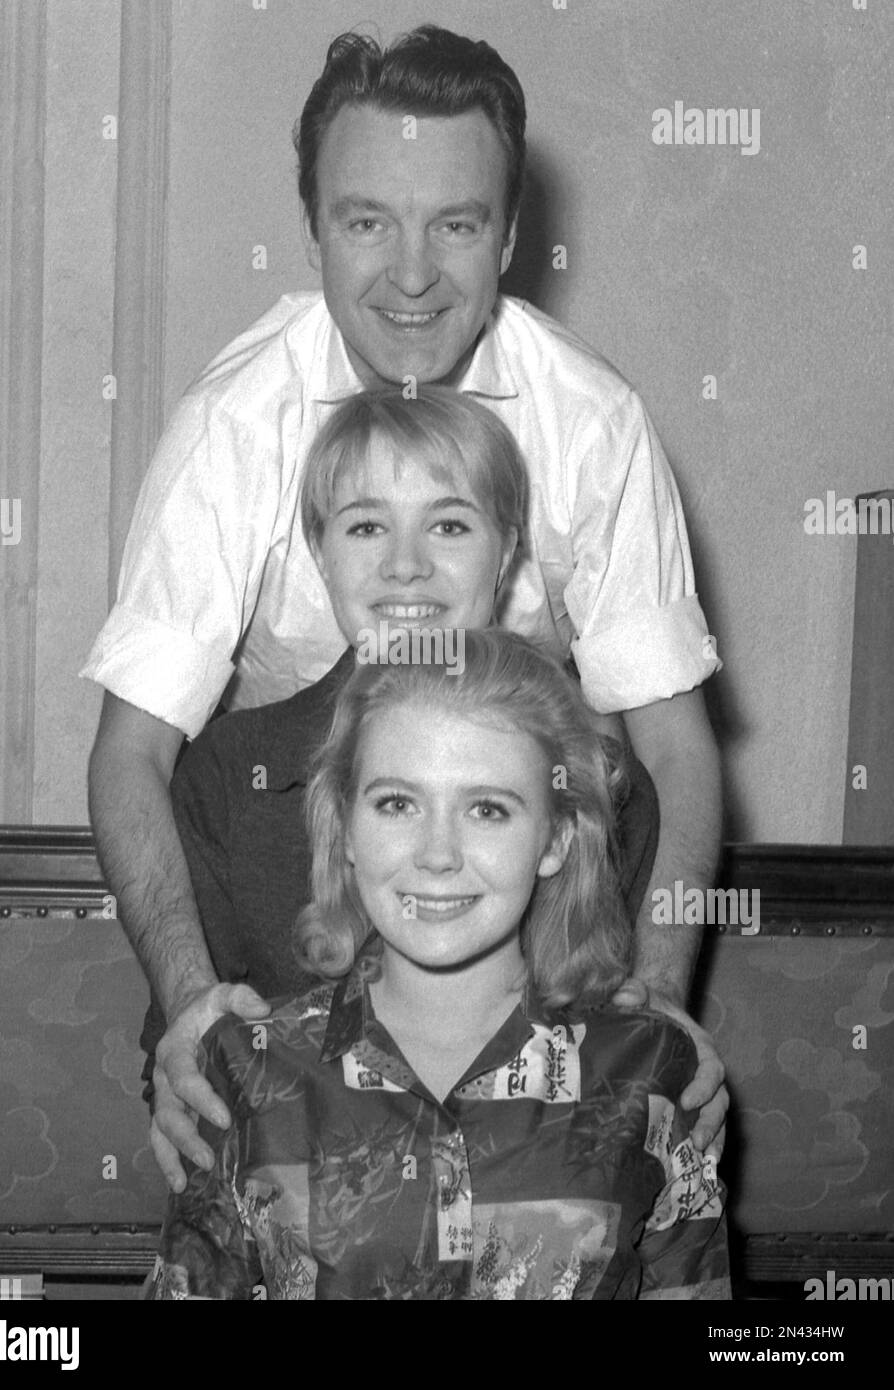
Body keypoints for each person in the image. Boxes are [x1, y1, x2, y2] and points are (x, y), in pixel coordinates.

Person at [83, 26, 726, 1184]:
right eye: (367, 220)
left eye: (457, 224)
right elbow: (133, 752)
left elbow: (675, 755)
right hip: (276, 944)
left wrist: (656, 1010)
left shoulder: (594, 422)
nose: (413, 272)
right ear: (314, 229)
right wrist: (189, 1006)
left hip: (525, 977)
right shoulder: (235, 425)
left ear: (514, 235)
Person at [149, 629, 730, 1300]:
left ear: (557, 837)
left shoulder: (650, 1069)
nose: (437, 854)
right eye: (398, 804)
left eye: (488, 809)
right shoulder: (243, 1069)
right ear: (344, 829)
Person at [144, 386, 660, 1132]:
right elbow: (184, 1066)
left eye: (449, 524)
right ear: (319, 553)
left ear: (509, 548)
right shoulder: (228, 774)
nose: (406, 566)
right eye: (366, 527)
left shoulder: (602, 783)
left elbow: (624, 1058)